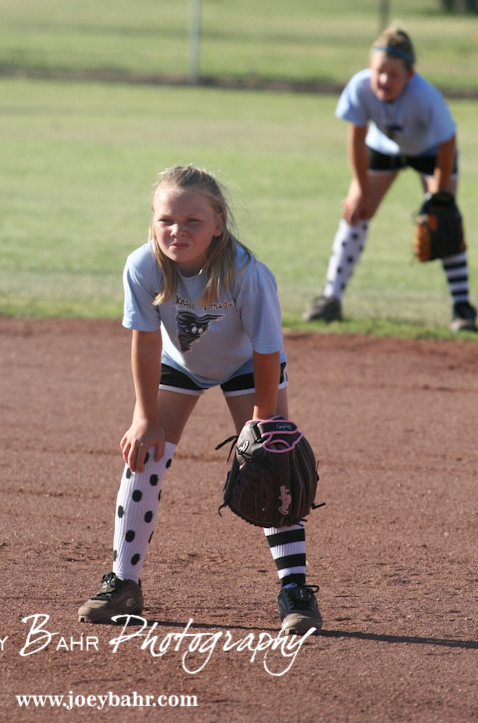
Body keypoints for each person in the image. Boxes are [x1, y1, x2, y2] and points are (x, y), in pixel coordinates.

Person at [78, 164, 322, 634]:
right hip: (181, 363)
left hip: (249, 364)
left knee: (275, 462)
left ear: (218, 223)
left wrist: (263, 423)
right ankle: (123, 583)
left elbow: (268, 349)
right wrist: (146, 418)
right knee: (143, 453)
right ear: (152, 221)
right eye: (166, 220)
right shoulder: (143, 265)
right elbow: (146, 342)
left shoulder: (247, 273)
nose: (177, 230)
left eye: (193, 221)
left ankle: (295, 590)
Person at [304, 25, 478, 332]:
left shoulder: (425, 97)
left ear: (409, 75)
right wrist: (359, 187)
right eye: (378, 71)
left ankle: (463, 308)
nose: (384, 80)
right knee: (355, 213)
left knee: (444, 220)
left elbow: (447, 141)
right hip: (383, 147)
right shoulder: (360, 87)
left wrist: (439, 196)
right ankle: (331, 298)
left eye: (393, 74)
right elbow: (356, 140)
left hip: (431, 152)